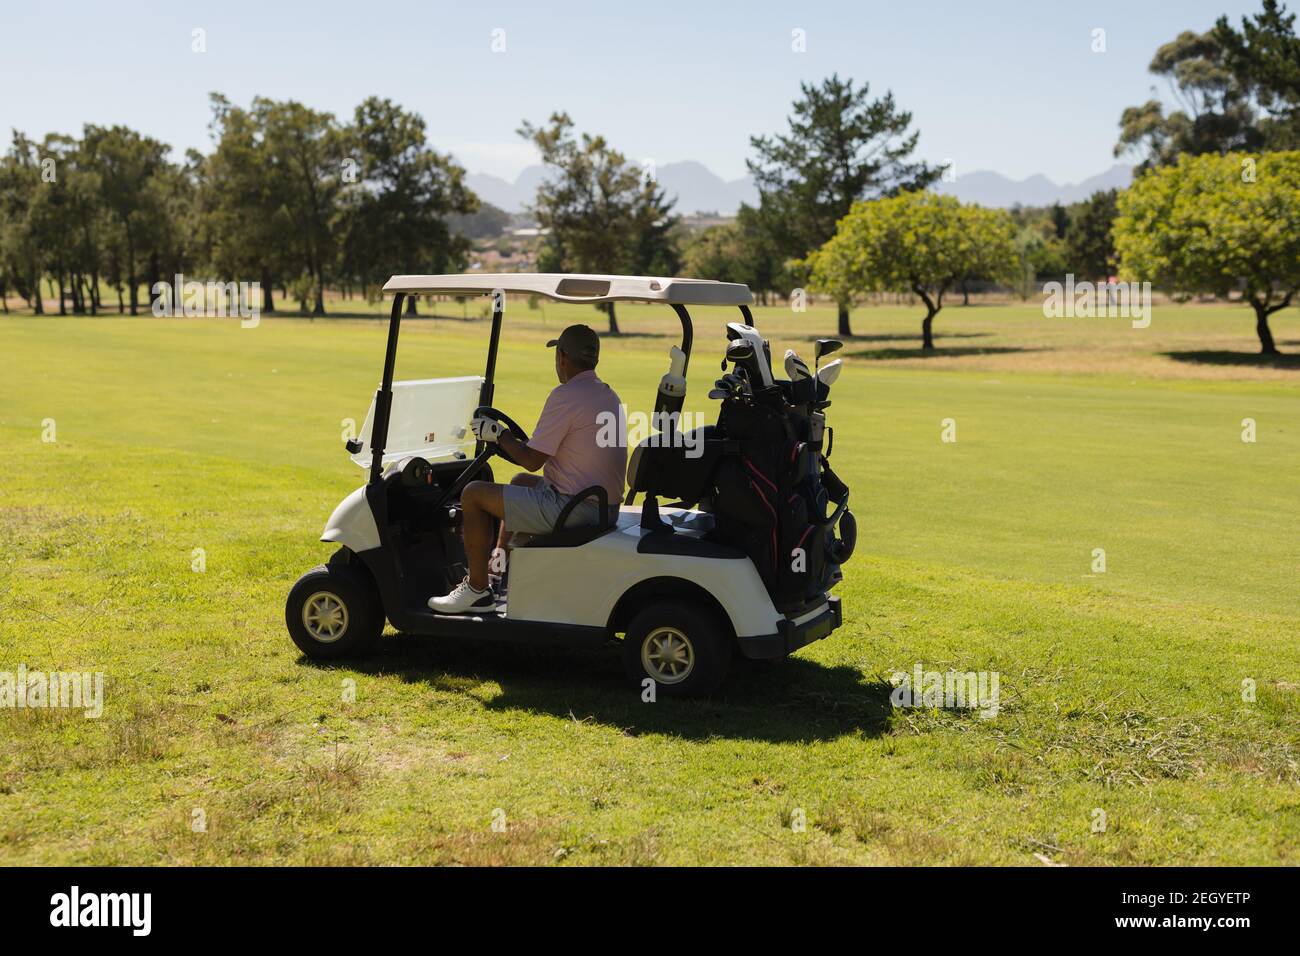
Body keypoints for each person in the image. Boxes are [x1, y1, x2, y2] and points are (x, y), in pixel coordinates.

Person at [428, 324, 626, 614]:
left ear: (561, 357)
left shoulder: (566, 395)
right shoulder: (607, 394)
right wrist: (506, 438)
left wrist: (499, 435)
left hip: (574, 509)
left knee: (472, 495)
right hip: (601, 505)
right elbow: (535, 457)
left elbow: (532, 459)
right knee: (521, 482)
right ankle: (497, 570)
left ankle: (477, 591)